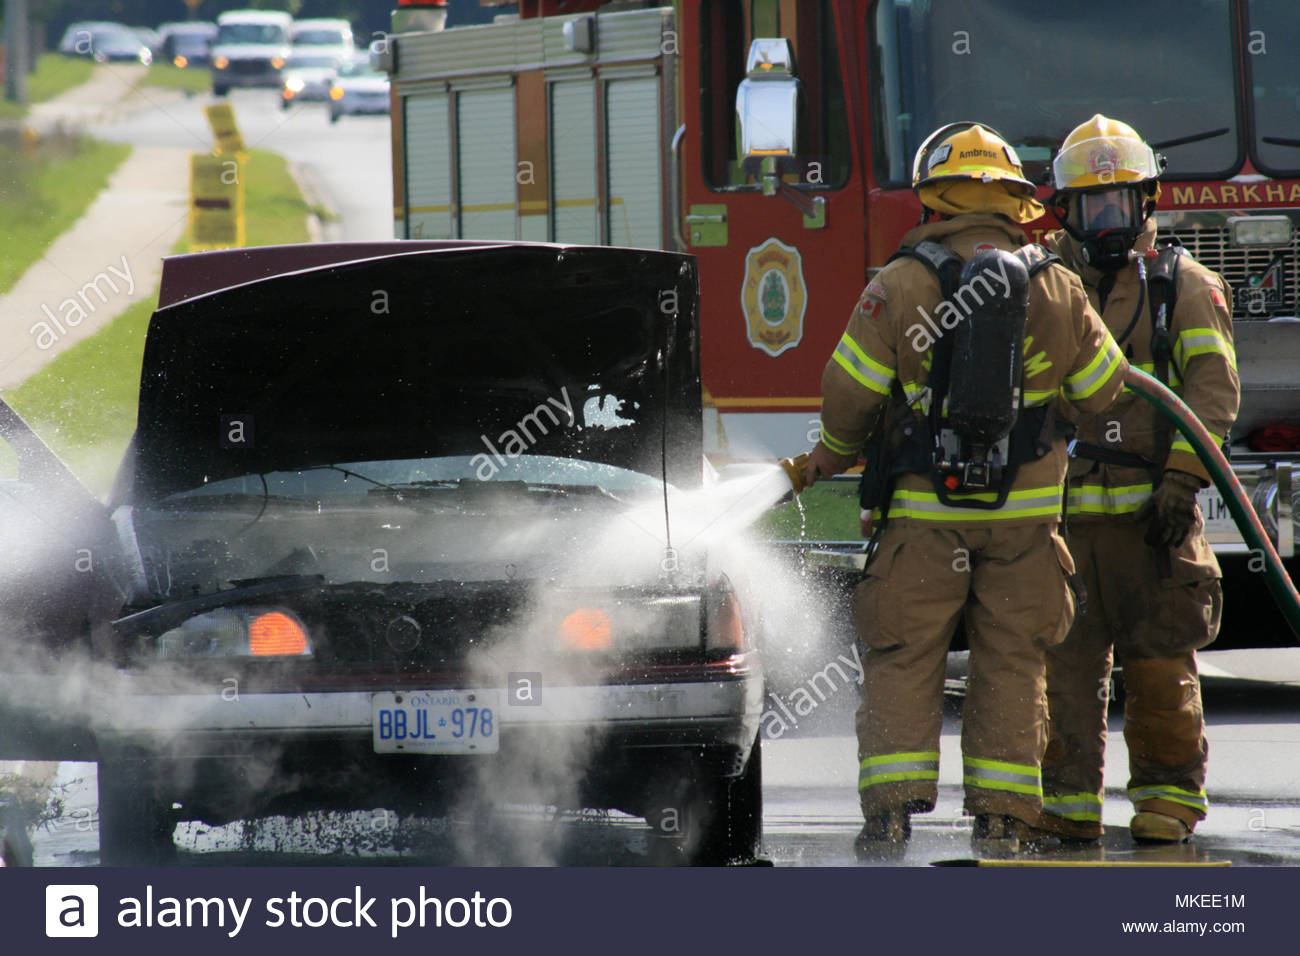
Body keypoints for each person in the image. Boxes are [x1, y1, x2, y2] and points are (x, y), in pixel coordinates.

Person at [804, 122, 1129, 856]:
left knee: (904, 653)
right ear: (1016, 201)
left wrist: (835, 454)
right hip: (1026, 521)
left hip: (923, 518)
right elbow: (1106, 392)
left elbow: (847, 397)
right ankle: (1004, 819)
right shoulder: (1056, 284)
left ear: (936, 197)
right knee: (1014, 660)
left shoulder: (900, 282)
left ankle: (890, 814)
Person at [1040, 115, 1239, 844]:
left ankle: (1165, 804)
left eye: (1118, 205)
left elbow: (1213, 392)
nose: (1105, 221)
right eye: (1091, 207)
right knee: (1065, 675)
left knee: (1160, 671)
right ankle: (1066, 809)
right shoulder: (1047, 287)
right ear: (1065, 210)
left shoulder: (1183, 287)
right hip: (1062, 529)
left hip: (1153, 527)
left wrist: (1182, 483)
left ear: (1145, 204)